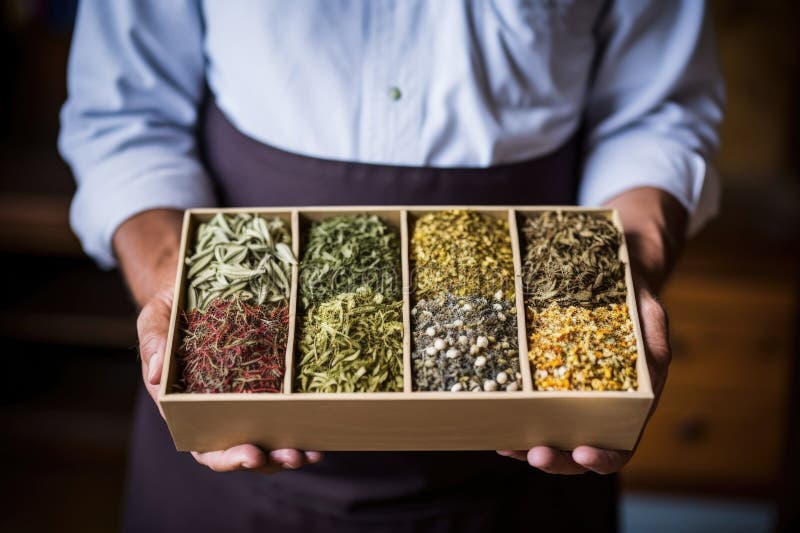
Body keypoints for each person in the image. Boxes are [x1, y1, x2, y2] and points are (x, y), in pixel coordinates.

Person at [58, 1, 724, 531]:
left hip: (526, 465)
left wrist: (628, 266)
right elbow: (124, 112)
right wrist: (175, 281)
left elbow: (656, 113)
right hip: (234, 407)